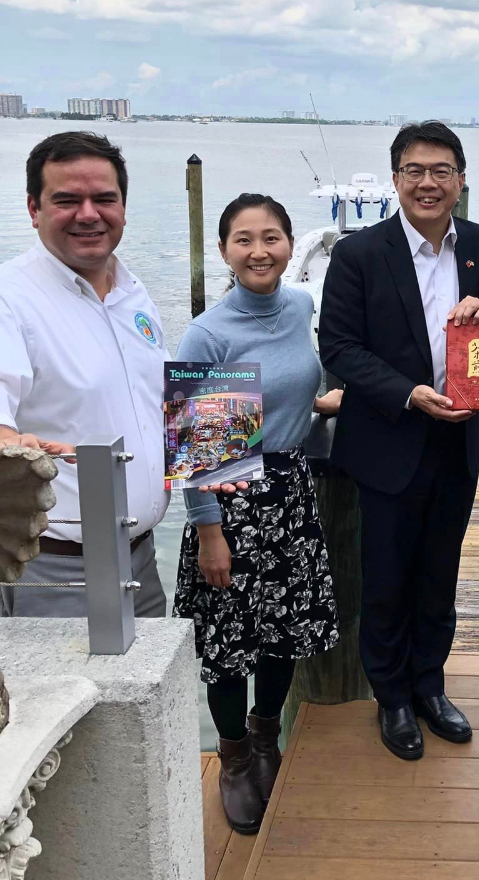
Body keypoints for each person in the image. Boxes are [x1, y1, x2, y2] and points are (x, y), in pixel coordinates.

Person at [317, 122, 479, 761]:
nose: (428, 183)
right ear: (397, 178)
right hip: (388, 439)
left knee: (439, 572)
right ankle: (392, 697)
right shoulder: (359, 254)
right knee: (385, 576)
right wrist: (408, 392)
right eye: (414, 171)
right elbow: (340, 348)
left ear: (461, 179)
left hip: (458, 441)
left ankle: (430, 684)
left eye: (441, 171)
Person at [173, 193, 340, 834]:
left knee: (285, 628)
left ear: (290, 245)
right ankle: (236, 755)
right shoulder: (210, 332)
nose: (259, 250)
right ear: (224, 252)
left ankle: (267, 734)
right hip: (230, 494)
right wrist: (208, 530)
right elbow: (196, 451)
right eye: (243, 239)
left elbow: (296, 387)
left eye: (271, 237)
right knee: (228, 641)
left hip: (291, 487)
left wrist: (324, 405)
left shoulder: (299, 306)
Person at [0, 131, 167, 617]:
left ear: (123, 206)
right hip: (55, 570)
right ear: (34, 209)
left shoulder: (134, 291)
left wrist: (218, 459)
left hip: (142, 560)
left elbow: (149, 402)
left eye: (104, 199)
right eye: (67, 200)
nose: (89, 214)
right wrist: (11, 443)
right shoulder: (11, 298)